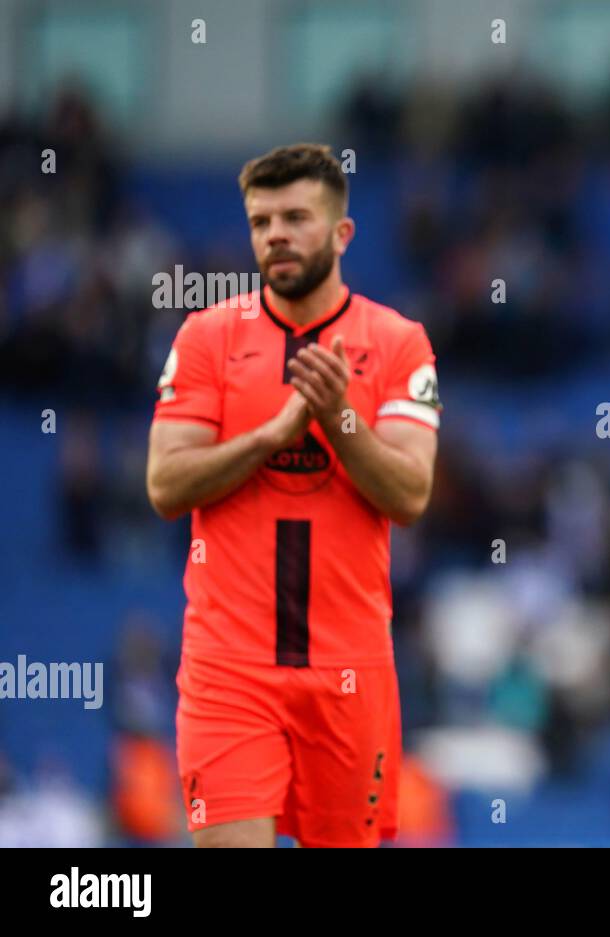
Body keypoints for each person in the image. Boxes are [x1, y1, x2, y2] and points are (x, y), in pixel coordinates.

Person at [146, 144, 441, 847]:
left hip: (348, 670)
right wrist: (271, 436)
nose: (275, 234)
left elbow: (410, 492)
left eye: (295, 217)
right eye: (261, 220)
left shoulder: (400, 344)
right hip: (229, 669)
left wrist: (338, 417)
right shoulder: (207, 337)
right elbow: (165, 483)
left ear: (341, 234)